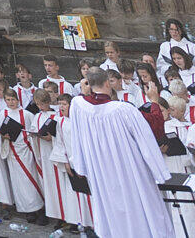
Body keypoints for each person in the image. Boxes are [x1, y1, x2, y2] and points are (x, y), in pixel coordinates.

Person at [61, 67, 176, 238]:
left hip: (101, 173)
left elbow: (80, 103)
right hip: (129, 172)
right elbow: (154, 128)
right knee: (140, 212)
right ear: (108, 83)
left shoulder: (79, 105)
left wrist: (85, 91)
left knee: (113, 216)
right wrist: (154, 100)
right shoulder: (123, 110)